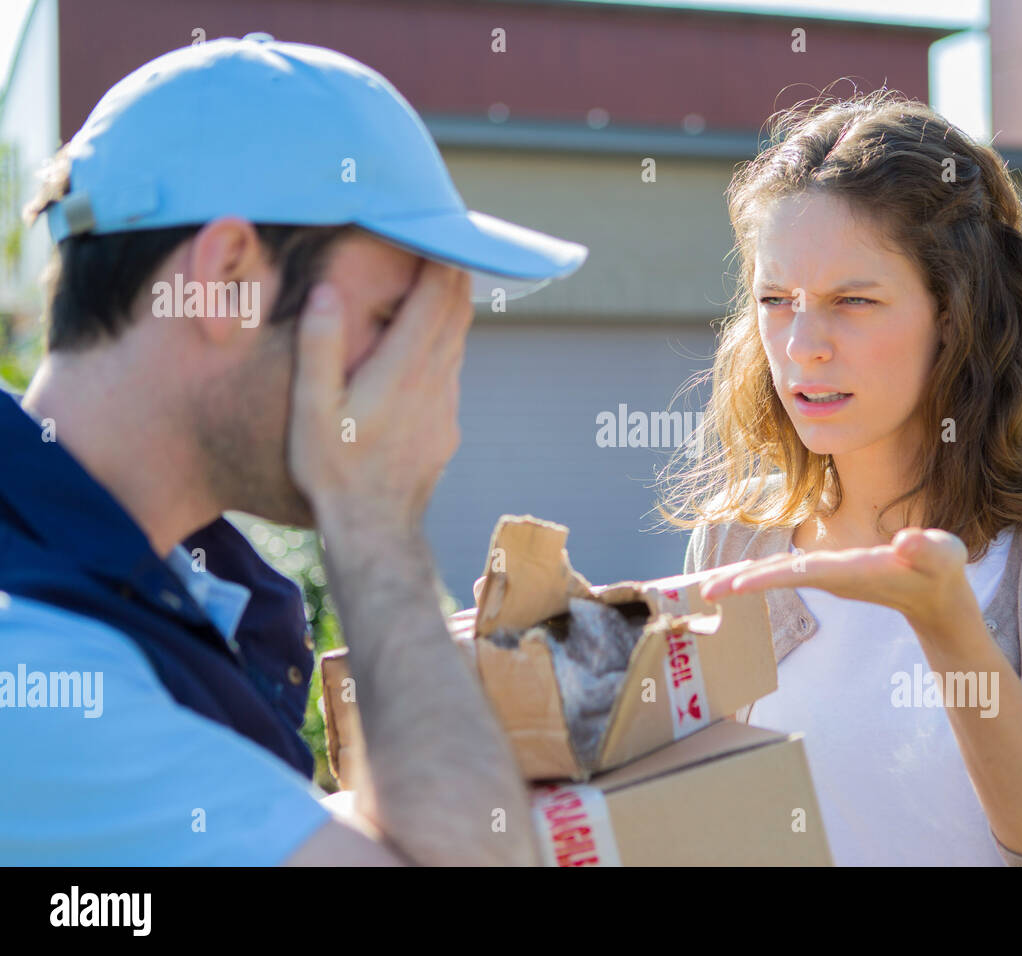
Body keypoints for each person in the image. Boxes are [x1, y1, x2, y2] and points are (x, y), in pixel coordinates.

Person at [0, 34, 589, 865]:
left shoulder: (178, 591)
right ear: (226, 276)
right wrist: (373, 518)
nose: (428, 402)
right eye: (391, 322)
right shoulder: (40, 673)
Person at [664, 91, 1022, 866]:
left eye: (853, 300)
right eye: (777, 300)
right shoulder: (734, 536)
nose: (803, 344)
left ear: (956, 312)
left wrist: (947, 625)